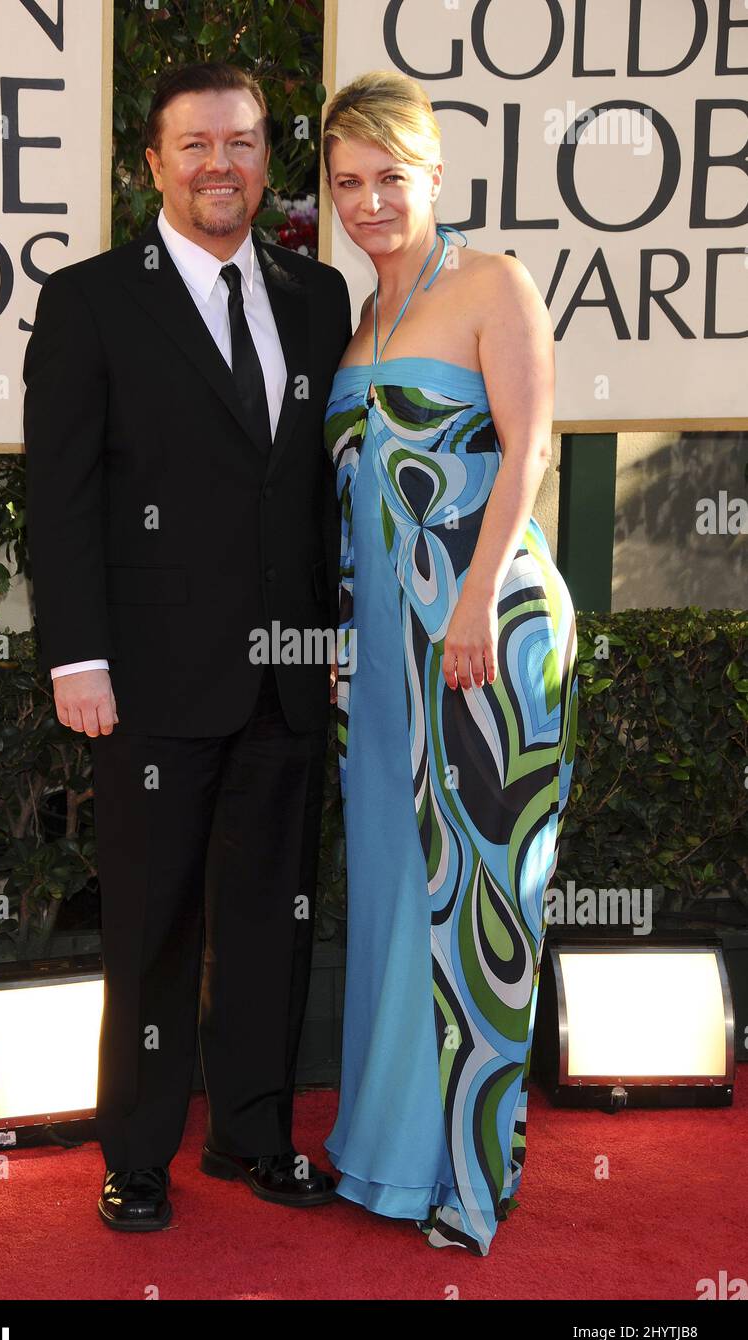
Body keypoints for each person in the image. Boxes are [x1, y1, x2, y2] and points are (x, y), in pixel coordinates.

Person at [23, 62, 352, 1231]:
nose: (223, 164)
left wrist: (332, 637)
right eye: (196, 145)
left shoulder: (317, 297)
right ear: (151, 164)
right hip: (151, 683)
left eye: (244, 142)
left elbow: (313, 496)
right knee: (153, 924)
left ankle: (254, 1135)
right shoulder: (95, 299)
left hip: (285, 678)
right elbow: (58, 500)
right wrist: (77, 660)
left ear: (271, 156)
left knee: (273, 916)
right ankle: (140, 1153)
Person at [321, 71, 579, 1256]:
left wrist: (471, 600)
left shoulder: (491, 283)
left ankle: (463, 1175)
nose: (369, 200)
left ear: (433, 176)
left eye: (390, 177)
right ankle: (382, 1155)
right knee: (388, 895)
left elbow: (528, 448)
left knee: (474, 901)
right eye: (347, 182)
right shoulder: (356, 320)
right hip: (375, 660)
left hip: (481, 636)